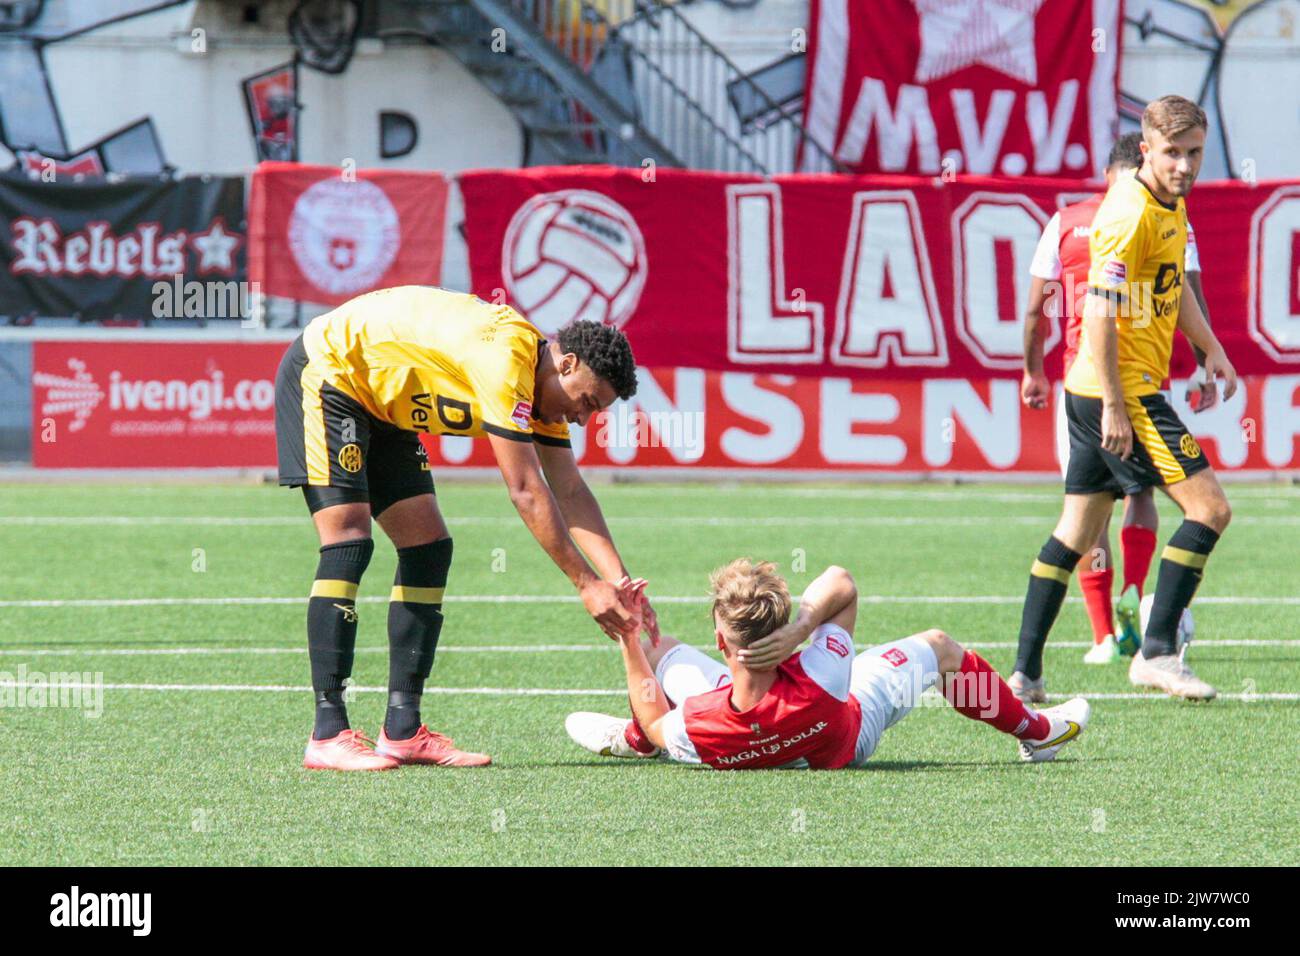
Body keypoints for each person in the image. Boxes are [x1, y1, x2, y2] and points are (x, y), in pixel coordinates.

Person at [274, 285, 658, 770]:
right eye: (585, 401)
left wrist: (620, 585)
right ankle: (327, 733)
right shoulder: (503, 360)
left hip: (381, 401)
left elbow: (571, 491)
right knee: (349, 540)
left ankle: (403, 730)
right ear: (566, 364)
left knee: (428, 547)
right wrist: (585, 585)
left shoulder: (541, 389)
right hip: (330, 373)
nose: (582, 419)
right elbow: (525, 489)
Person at [1010, 96, 1236, 703]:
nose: (1185, 166)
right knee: (1209, 510)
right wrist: (1115, 404)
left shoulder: (1170, 204)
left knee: (1077, 531)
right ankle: (1158, 652)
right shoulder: (1127, 214)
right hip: (1123, 391)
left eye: (1194, 154)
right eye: (1172, 153)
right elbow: (1099, 314)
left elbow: (1172, 287)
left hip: (1095, 390)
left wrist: (1210, 346)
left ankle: (1025, 672)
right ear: (1146, 150)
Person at [566, 561, 1089, 770]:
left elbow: (658, 718)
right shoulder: (823, 675)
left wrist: (631, 635)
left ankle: (631, 743)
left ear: (721, 642)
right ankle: (1037, 732)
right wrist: (798, 631)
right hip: (846, 733)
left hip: (736, 732)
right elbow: (842, 582)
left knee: (659, 655)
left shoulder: (696, 724)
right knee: (939, 647)